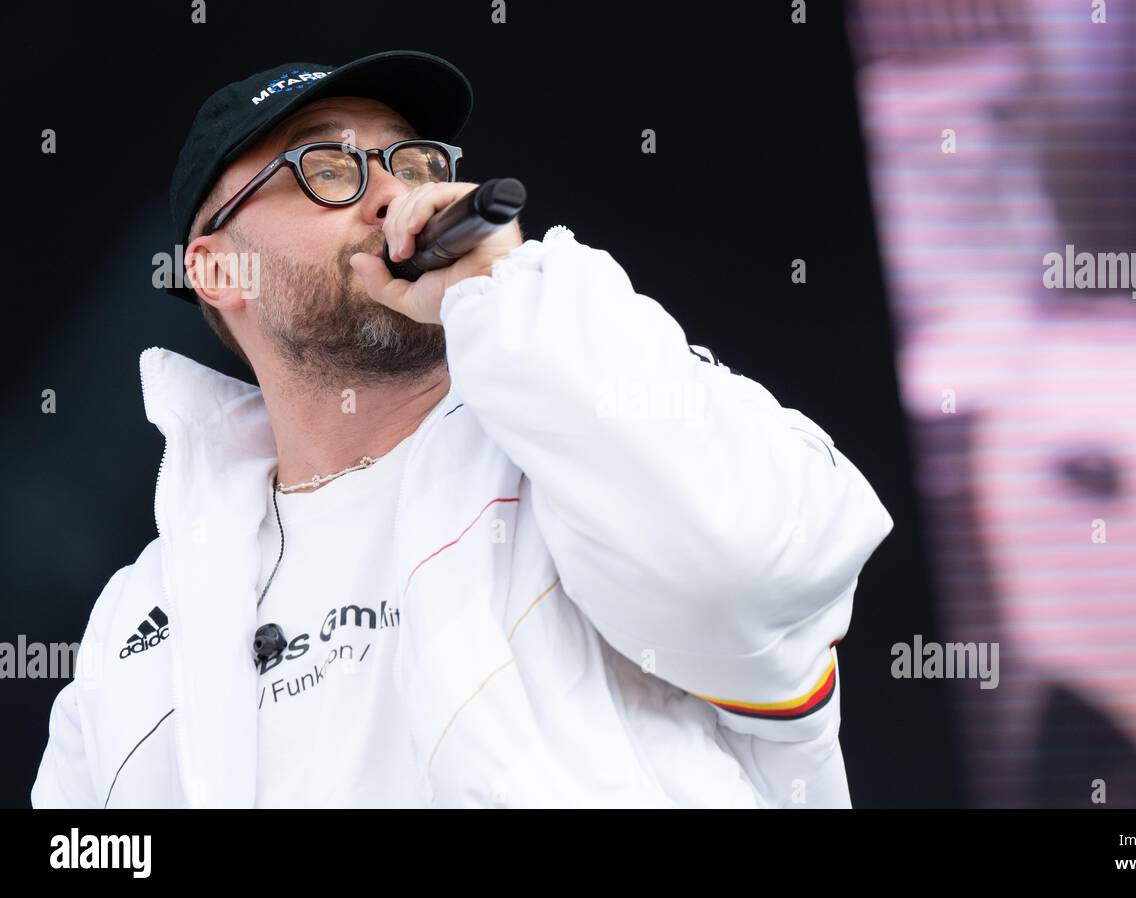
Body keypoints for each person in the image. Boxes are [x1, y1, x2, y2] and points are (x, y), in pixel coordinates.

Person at [31, 50, 893, 808]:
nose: (392, 195)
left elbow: (746, 577)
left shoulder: (586, 423)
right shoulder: (140, 618)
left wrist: (515, 293)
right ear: (218, 268)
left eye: (410, 159)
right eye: (329, 166)